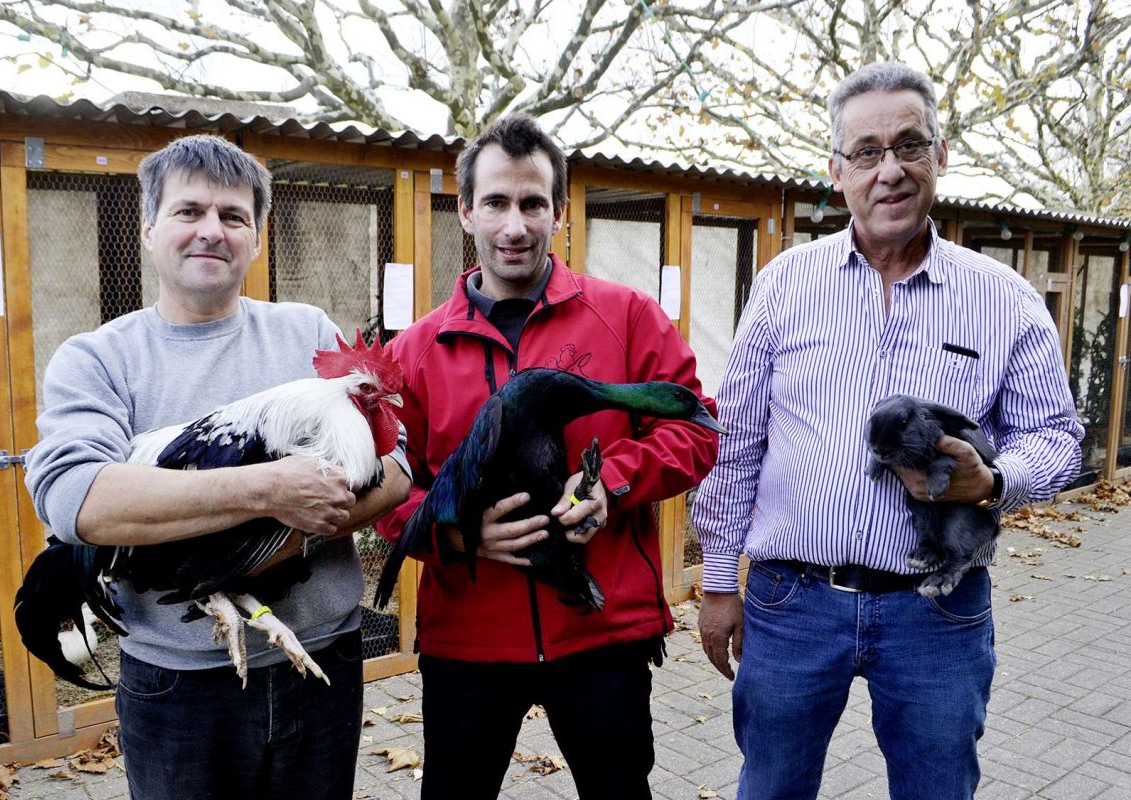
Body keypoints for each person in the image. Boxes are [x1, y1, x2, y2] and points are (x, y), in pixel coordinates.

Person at [692, 63, 1084, 799]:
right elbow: (735, 443)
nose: (890, 170)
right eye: (867, 152)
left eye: (909, 145)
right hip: (792, 603)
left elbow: (1057, 439)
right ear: (836, 170)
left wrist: (993, 481)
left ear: (940, 155)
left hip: (938, 611)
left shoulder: (1005, 299)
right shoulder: (784, 284)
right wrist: (719, 584)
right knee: (770, 788)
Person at [24, 134, 411, 800]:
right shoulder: (97, 358)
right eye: (189, 211)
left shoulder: (306, 330)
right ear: (149, 226)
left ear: (257, 237)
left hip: (324, 661)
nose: (212, 231)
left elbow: (394, 467)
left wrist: (283, 538)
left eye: (233, 217)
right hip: (181, 686)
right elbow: (76, 500)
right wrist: (267, 491)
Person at [374, 114, 720, 800]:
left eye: (533, 203)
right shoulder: (413, 351)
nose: (515, 225)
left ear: (559, 212)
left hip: (601, 636)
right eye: (497, 202)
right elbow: (385, 489)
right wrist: (457, 532)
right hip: (469, 641)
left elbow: (697, 431)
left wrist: (613, 485)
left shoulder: (626, 316)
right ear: (466, 209)